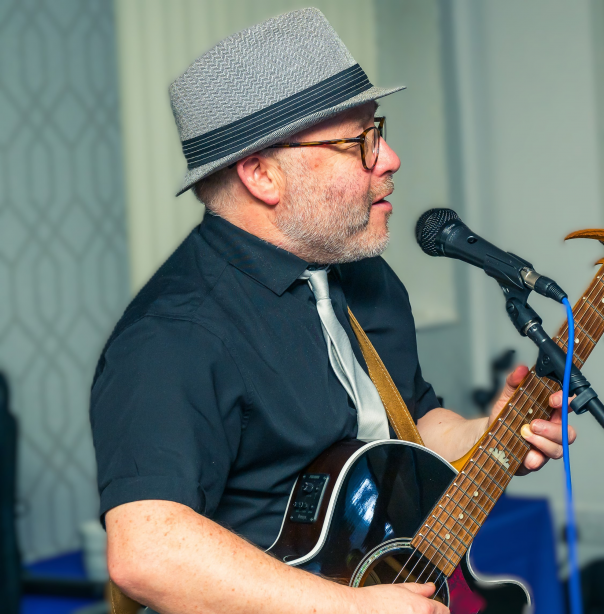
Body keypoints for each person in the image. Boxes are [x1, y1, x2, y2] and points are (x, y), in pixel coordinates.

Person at [90, 10, 572, 614]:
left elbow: (408, 426)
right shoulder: (175, 333)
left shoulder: (364, 275)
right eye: (358, 141)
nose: (391, 158)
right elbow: (147, 551)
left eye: (380, 130)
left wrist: (486, 435)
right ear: (263, 174)